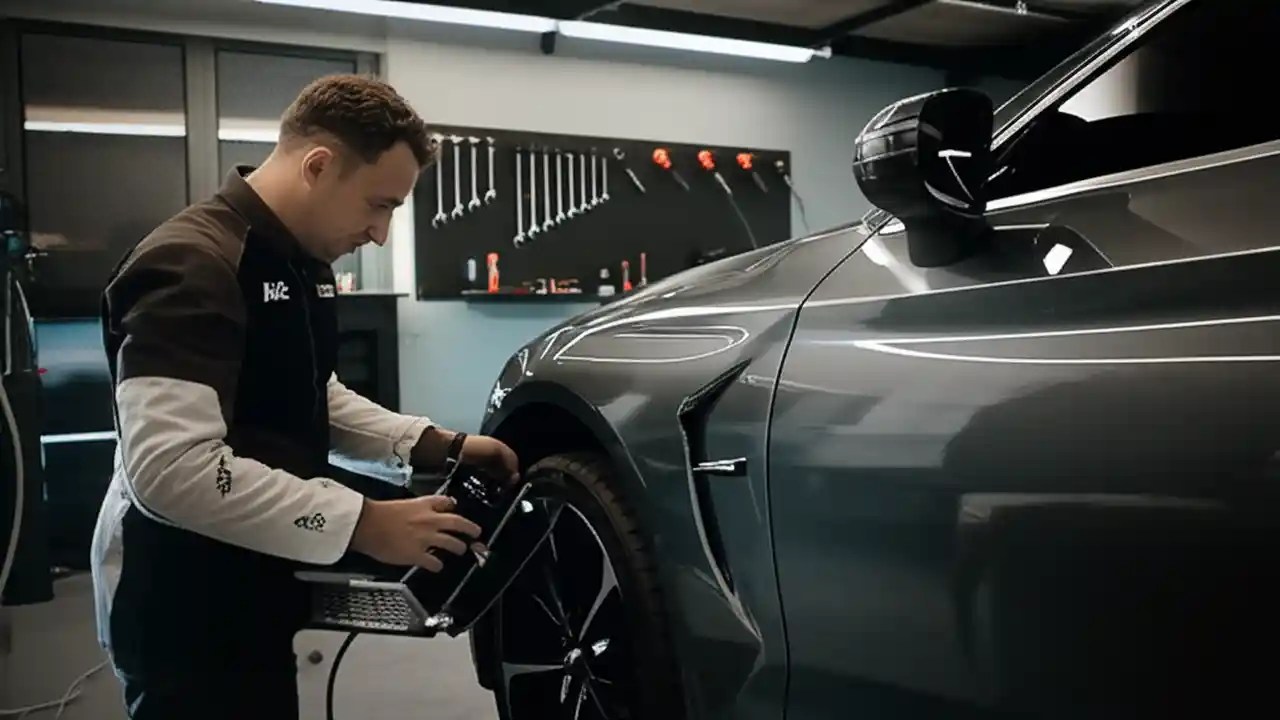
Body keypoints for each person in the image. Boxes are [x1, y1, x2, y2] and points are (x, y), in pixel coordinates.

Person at [89, 74, 519, 719]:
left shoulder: (297, 260)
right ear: (318, 166)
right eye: (380, 205)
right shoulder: (192, 266)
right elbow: (170, 471)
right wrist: (364, 521)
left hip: (255, 566)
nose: (379, 234)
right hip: (178, 592)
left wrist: (432, 443)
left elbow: (310, 390)